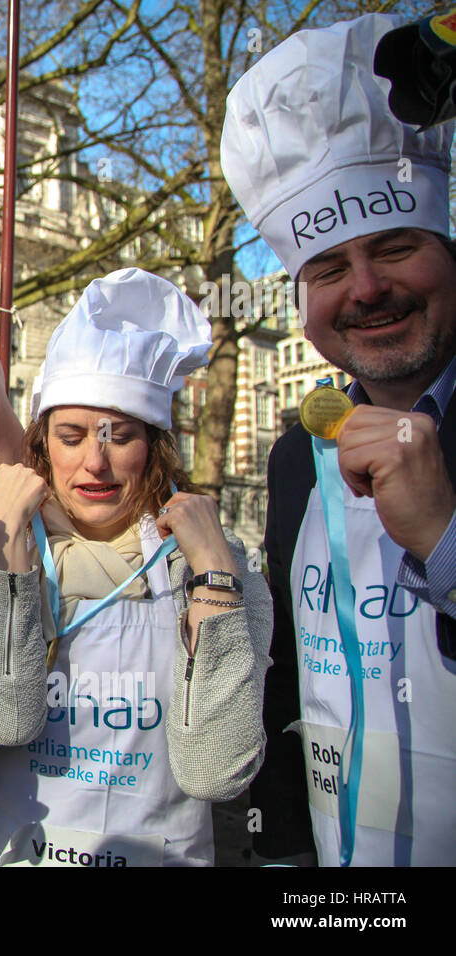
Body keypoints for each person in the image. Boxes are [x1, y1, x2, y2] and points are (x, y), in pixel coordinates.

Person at [0, 178, 274, 865]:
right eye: (73, 435)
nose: (97, 463)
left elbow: (220, 771)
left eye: (121, 435)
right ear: (42, 449)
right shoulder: (18, 538)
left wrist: (218, 584)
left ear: (155, 445)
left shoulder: (206, 559)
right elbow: (6, 718)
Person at [221, 13, 456, 866]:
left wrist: (446, 544)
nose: (365, 288)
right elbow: (293, 678)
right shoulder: (298, 455)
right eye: (326, 268)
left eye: (394, 247)